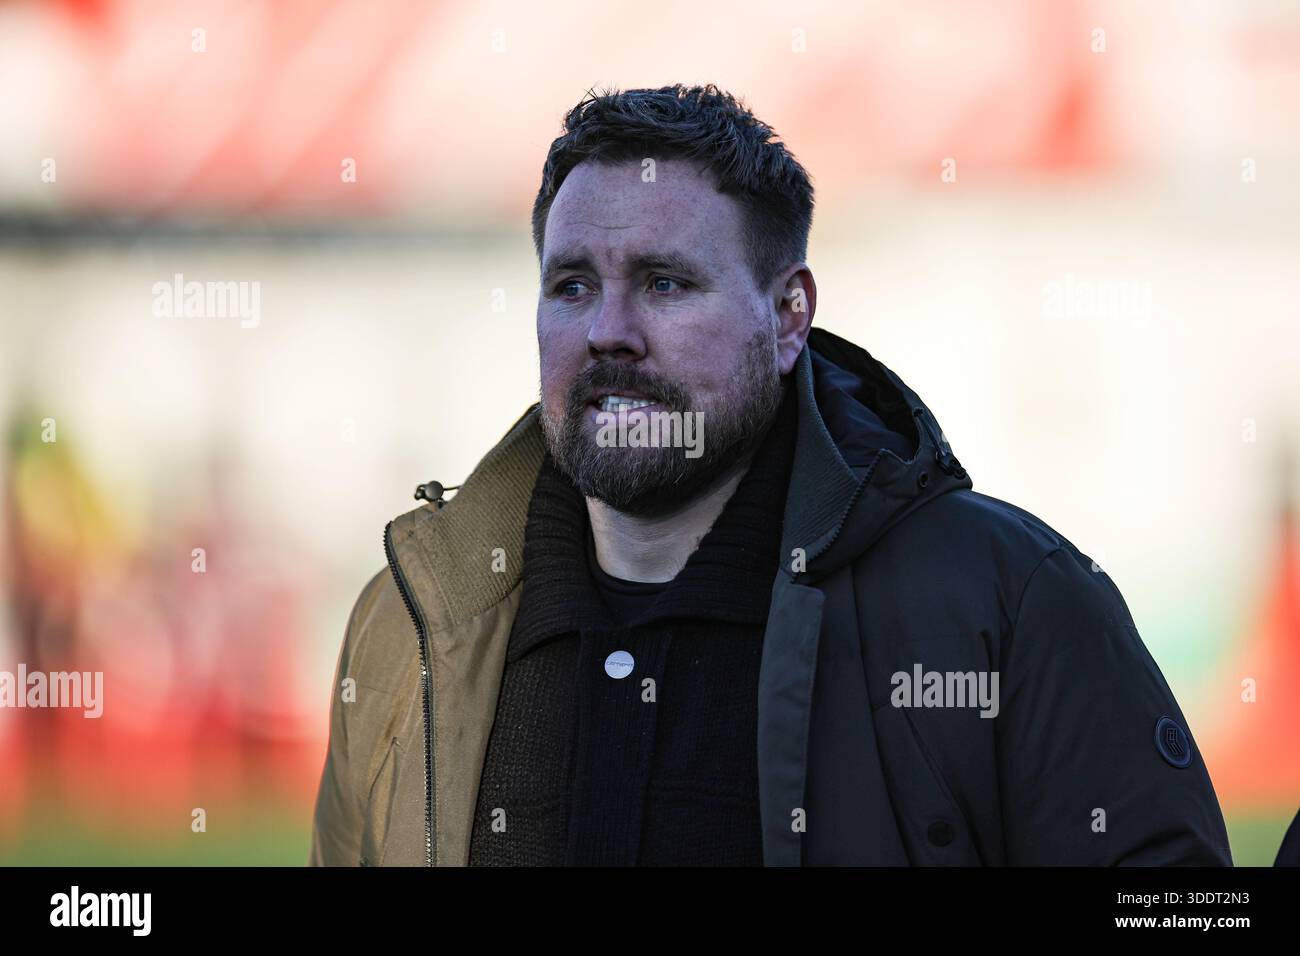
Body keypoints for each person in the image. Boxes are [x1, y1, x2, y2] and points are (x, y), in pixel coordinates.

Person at [309, 84, 1232, 866]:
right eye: (572, 286)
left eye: (666, 283)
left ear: (790, 317)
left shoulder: (1008, 603)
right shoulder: (407, 627)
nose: (608, 331)